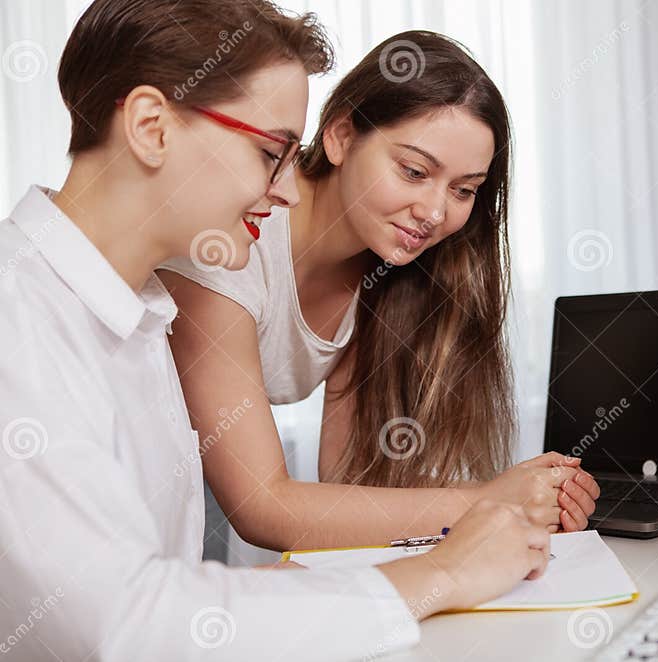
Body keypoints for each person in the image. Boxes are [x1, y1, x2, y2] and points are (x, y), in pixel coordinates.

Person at [0, 3, 550, 659]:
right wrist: (446, 572)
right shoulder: (19, 320)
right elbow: (127, 620)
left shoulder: (141, 319)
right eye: (269, 152)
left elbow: (167, 595)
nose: (290, 191)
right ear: (151, 127)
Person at [158, 30, 601, 553]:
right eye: (414, 171)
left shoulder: (384, 270)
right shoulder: (233, 234)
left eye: (463, 190)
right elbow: (264, 508)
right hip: (149, 496)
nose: (435, 213)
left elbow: (350, 491)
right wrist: (490, 502)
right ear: (341, 136)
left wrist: (539, 501)